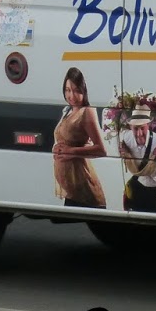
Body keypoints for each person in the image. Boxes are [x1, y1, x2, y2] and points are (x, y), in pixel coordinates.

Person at [52, 67, 105, 208]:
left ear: (84, 90)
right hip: (71, 189)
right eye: (68, 90)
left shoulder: (87, 112)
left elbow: (101, 150)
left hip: (83, 188)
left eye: (76, 91)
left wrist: (71, 151)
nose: (71, 96)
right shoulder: (68, 111)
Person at [119, 106, 156, 213]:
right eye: (135, 129)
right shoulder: (126, 138)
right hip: (140, 186)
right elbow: (118, 149)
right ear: (130, 127)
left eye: (142, 128)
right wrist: (122, 152)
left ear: (148, 126)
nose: (139, 134)